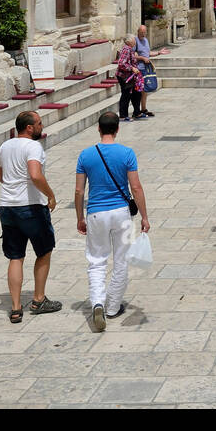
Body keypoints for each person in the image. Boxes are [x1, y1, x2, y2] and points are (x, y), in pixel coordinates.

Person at [75, 110, 149, 331]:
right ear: (117, 129)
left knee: (96, 260)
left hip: (96, 213)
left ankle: (97, 301)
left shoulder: (85, 155)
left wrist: (80, 217)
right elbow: (135, 187)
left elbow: (79, 191)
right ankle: (112, 306)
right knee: (121, 260)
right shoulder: (127, 153)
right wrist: (144, 216)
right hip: (121, 214)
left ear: (98, 128)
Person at [0, 111, 60, 322]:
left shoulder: (5, 146)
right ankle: (38, 299)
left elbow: (0, 175)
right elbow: (35, 174)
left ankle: (15, 308)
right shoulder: (34, 146)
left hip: (7, 206)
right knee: (44, 251)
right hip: (31, 207)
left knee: (16, 256)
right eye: (40, 123)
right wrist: (50, 195)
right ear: (30, 128)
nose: (42, 126)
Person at [115, 35, 144, 121]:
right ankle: (123, 115)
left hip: (131, 76)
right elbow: (121, 63)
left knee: (136, 93)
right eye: (134, 39)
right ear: (129, 41)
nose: (135, 41)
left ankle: (137, 112)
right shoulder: (126, 49)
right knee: (126, 94)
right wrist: (132, 68)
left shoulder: (130, 49)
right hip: (124, 76)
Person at [135, 25, 155, 119]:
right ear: (138, 32)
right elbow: (133, 56)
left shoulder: (146, 40)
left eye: (144, 32)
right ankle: (137, 110)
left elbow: (148, 53)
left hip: (146, 68)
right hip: (139, 68)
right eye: (141, 32)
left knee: (145, 90)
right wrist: (142, 58)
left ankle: (144, 108)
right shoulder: (135, 41)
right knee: (141, 89)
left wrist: (158, 53)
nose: (143, 34)